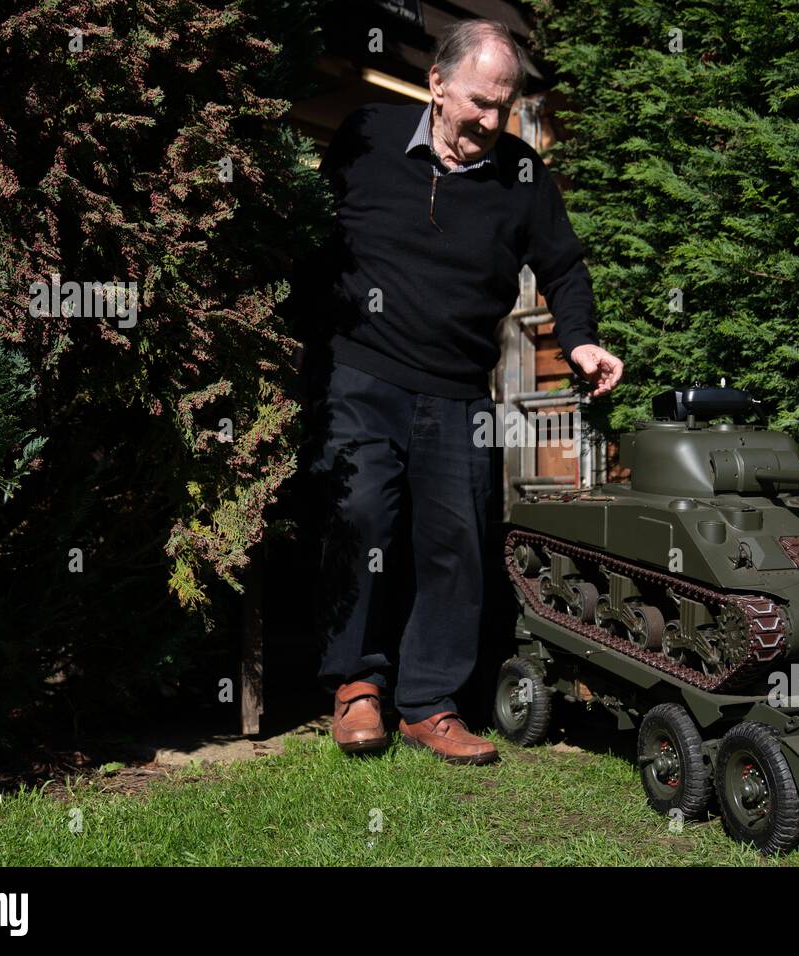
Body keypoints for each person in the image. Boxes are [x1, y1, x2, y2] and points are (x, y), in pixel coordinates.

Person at [303, 18, 623, 765]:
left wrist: (576, 339)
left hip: (456, 388)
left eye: (503, 107)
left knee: (456, 543)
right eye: (479, 100)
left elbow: (565, 268)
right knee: (360, 516)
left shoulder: (521, 175)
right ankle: (356, 687)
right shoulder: (368, 134)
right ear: (437, 84)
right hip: (359, 368)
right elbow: (312, 234)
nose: (490, 120)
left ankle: (431, 704)